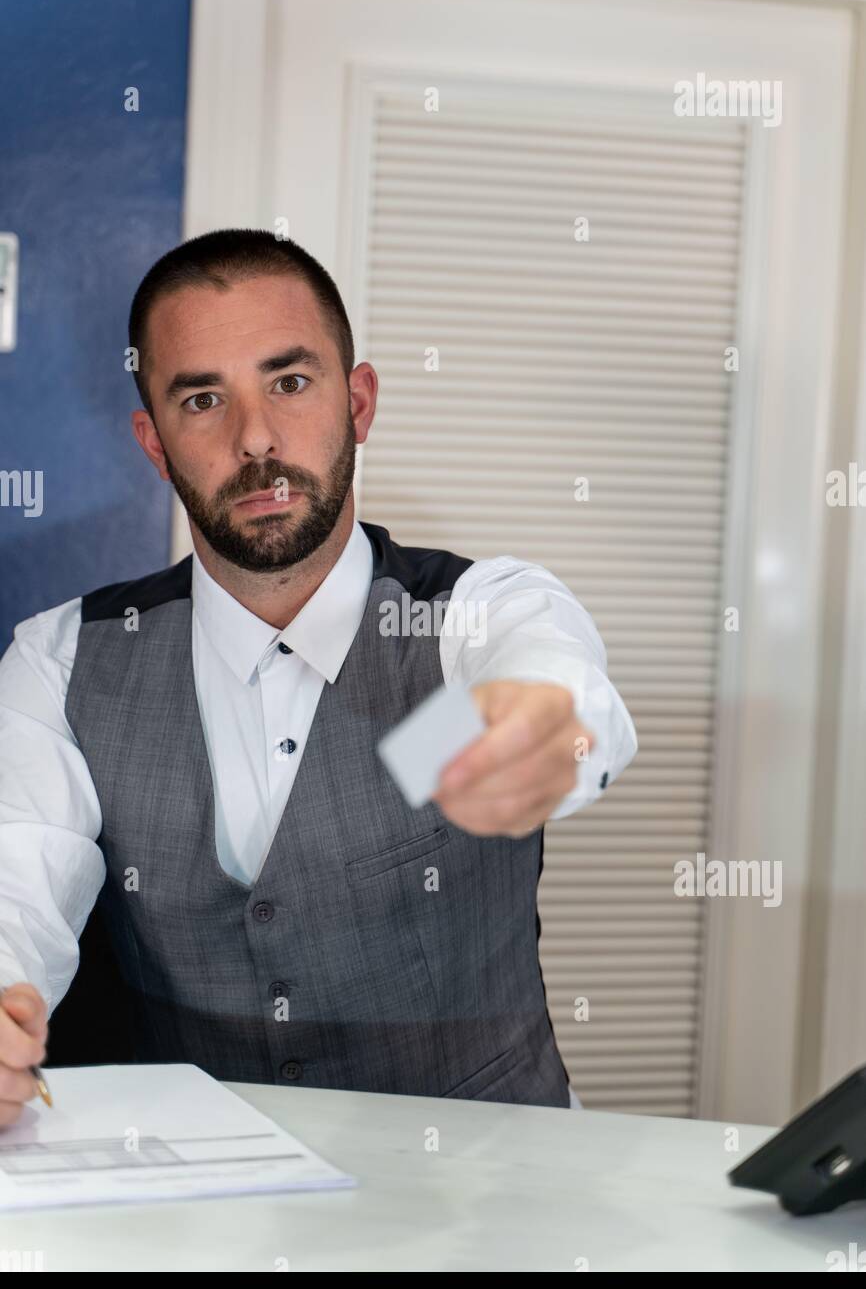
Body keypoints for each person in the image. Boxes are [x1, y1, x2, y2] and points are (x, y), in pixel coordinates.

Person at [0, 229, 637, 1127]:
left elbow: (556, 681)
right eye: (203, 399)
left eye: (289, 382)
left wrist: (541, 727)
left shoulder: (471, 615)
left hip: (498, 1198)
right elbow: (14, 879)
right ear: (154, 442)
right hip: (199, 1208)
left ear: (359, 401)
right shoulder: (60, 660)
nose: (255, 438)